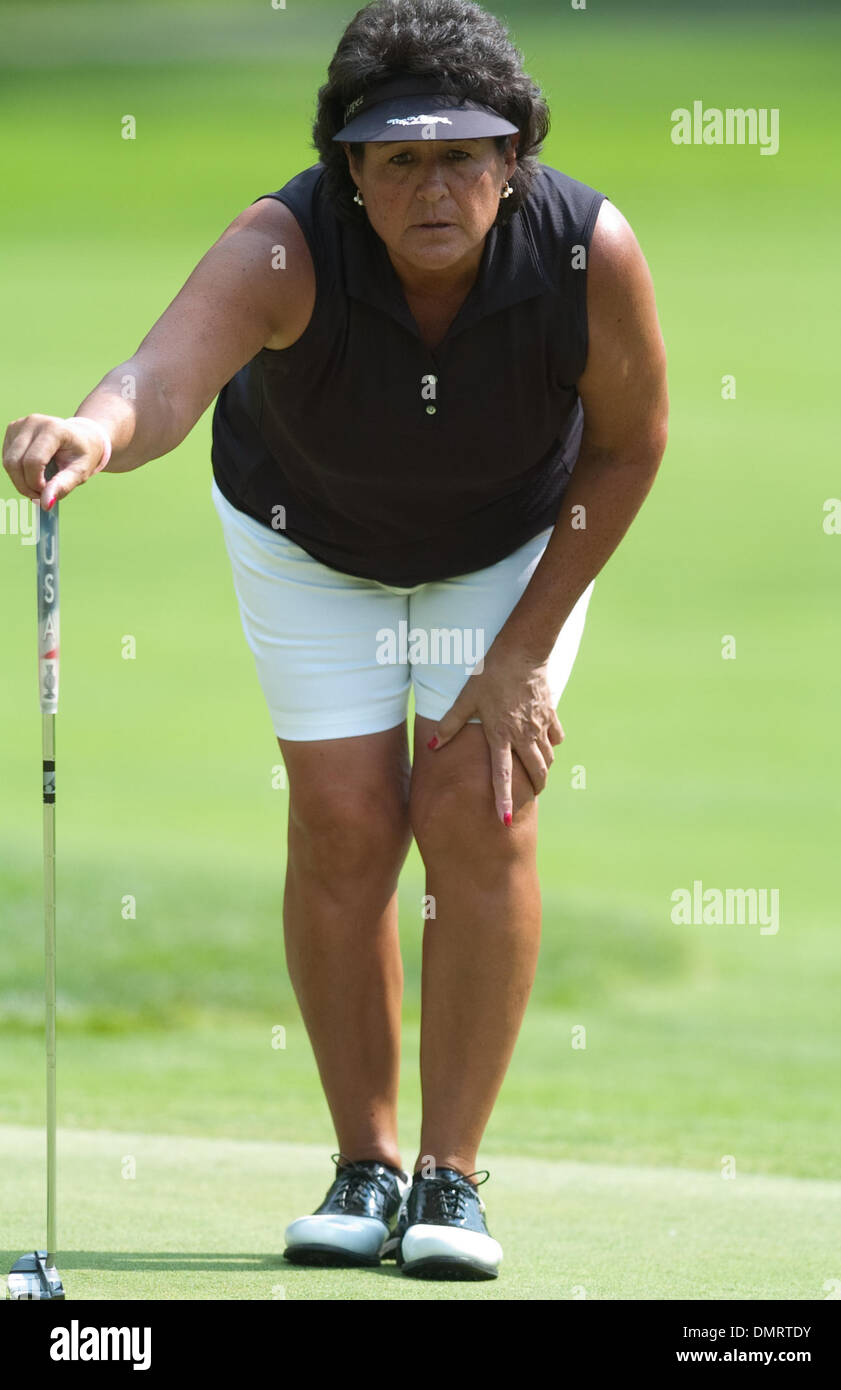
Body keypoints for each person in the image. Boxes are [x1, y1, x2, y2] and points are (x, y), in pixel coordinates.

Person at [2, 0, 667, 1282]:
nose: (435, 183)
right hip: (306, 540)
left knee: (478, 805)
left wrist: (524, 648)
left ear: (514, 157)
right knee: (349, 820)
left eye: (465, 154)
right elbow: (164, 378)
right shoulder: (282, 247)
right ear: (347, 168)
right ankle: (362, 1162)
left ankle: (451, 1179)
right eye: (398, 158)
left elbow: (631, 447)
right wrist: (91, 431)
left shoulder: (591, 251)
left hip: (509, 545)